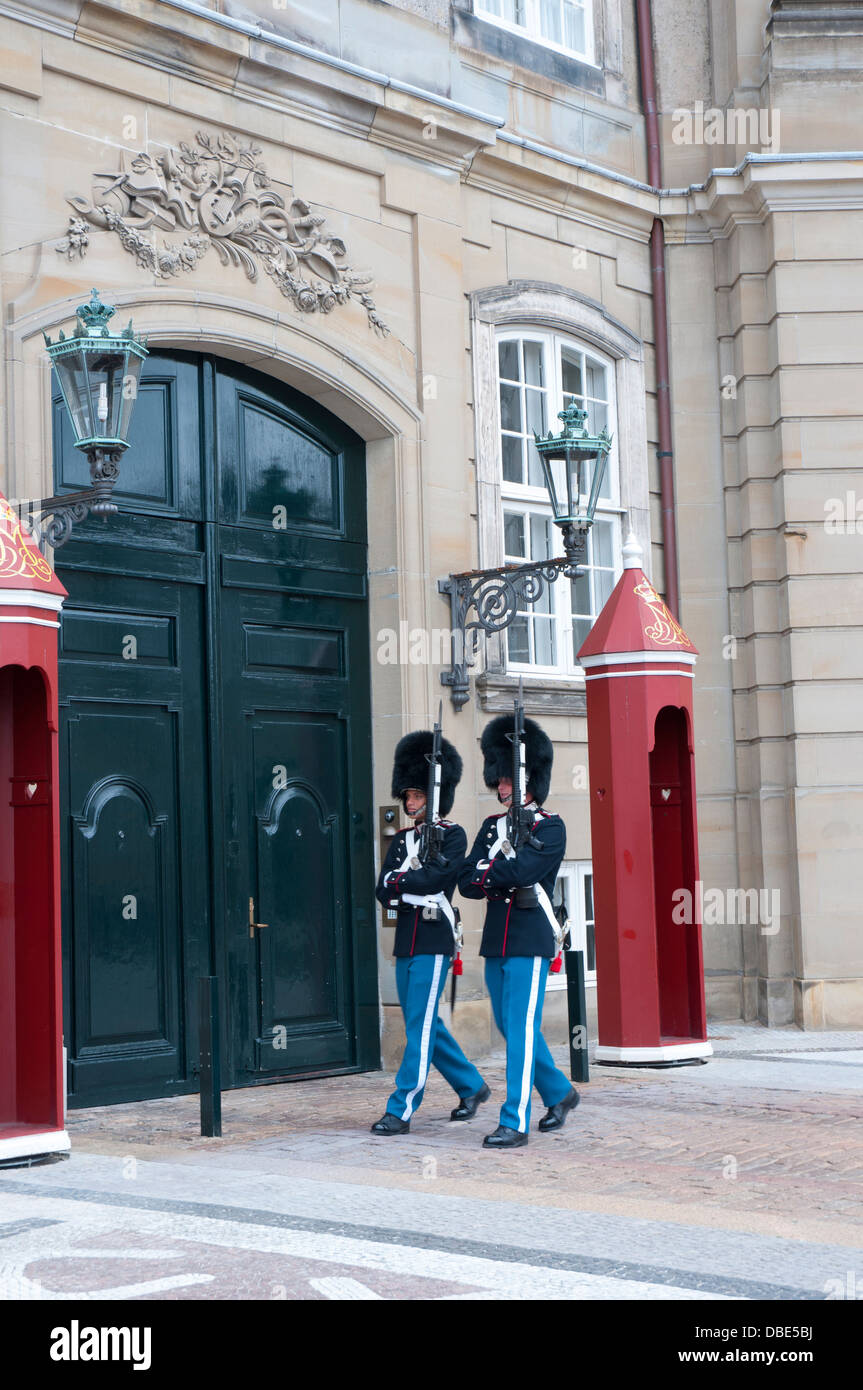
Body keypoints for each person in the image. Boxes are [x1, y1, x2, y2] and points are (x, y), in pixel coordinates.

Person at [458, 711, 579, 1149]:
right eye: (500, 780)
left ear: (530, 781)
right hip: (497, 939)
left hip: (529, 937)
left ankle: (515, 1120)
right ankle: (560, 1093)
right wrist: (495, 872)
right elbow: (467, 881)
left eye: (509, 780)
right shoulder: (492, 827)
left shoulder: (551, 826)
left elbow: (527, 868)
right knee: (512, 1027)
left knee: (522, 1028)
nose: (502, 787)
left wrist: (492, 871)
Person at [371, 728, 490, 1134]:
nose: (410, 803)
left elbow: (436, 882)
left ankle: (401, 1107)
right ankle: (471, 1086)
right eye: (407, 797)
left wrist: (401, 885)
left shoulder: (453, 835)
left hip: (434, 937)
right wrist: (405, 885)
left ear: (433, 796)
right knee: (424, 1022)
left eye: (417, 796)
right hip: (406, 938)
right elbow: (381, 889)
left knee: (419, 1025)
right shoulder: (404, 839)